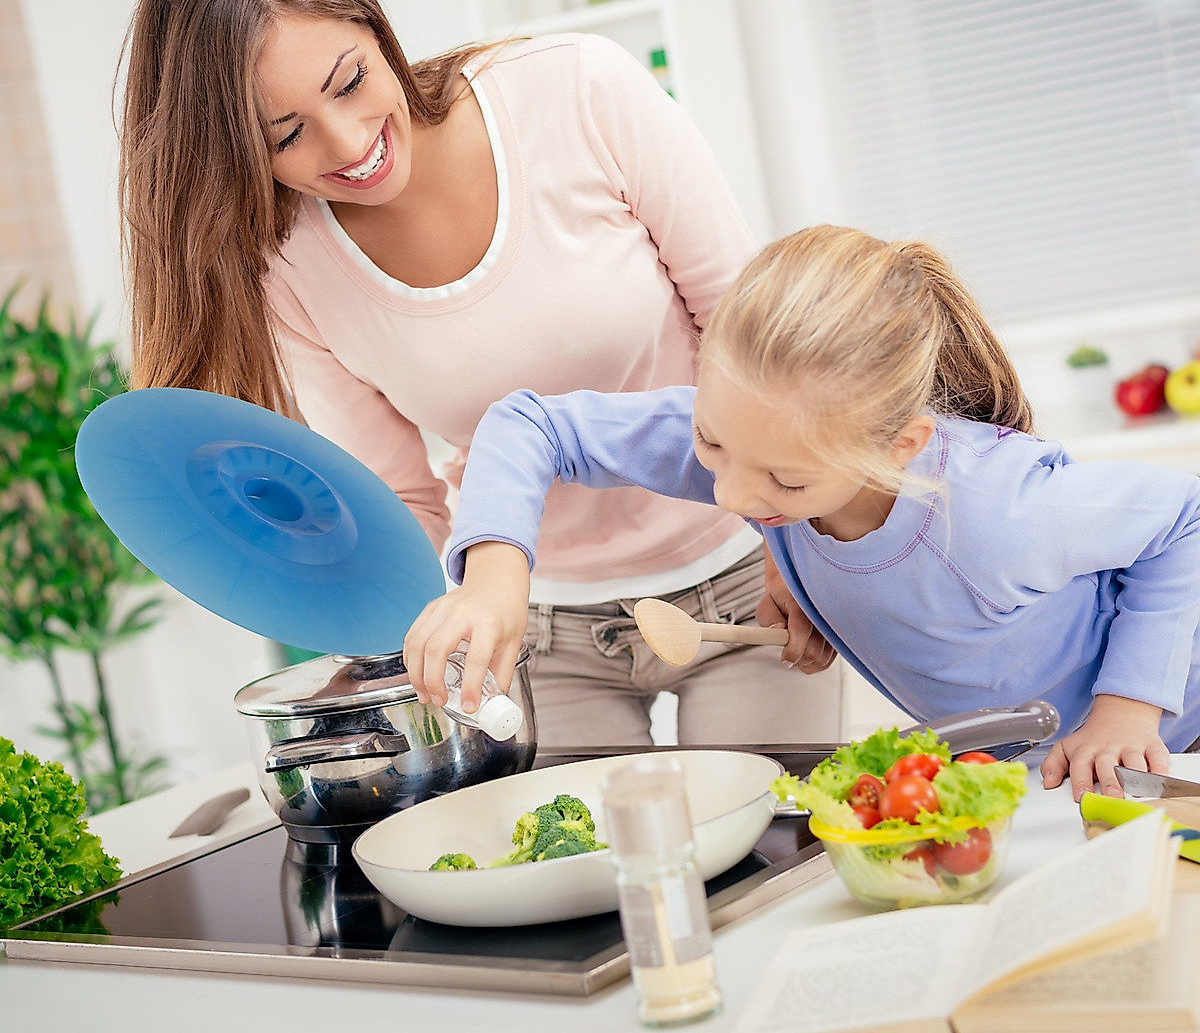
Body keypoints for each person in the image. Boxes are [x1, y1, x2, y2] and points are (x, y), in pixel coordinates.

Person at [117, 0, 843, 747]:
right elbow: (406, 504)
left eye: (350, 82)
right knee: (573, 837)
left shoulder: (579, 90)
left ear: (370, 23)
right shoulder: (287, 264)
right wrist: (401, 643)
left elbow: (749, 341)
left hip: (743, 569)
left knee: (773, 824)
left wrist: (798, 547)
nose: (348, 143)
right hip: (532, 624)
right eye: (286, 135)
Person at [403, 224, 1200, 800]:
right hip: (1055, 772)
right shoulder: (758, 438)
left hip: (1173, 741)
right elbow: (531, 424)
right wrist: (492, 581)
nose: (730, 497)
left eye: (785, 483)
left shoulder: (999, 505)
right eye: (709, 443)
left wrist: (1129, 708)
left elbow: (1185, 519)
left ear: (900, 446)